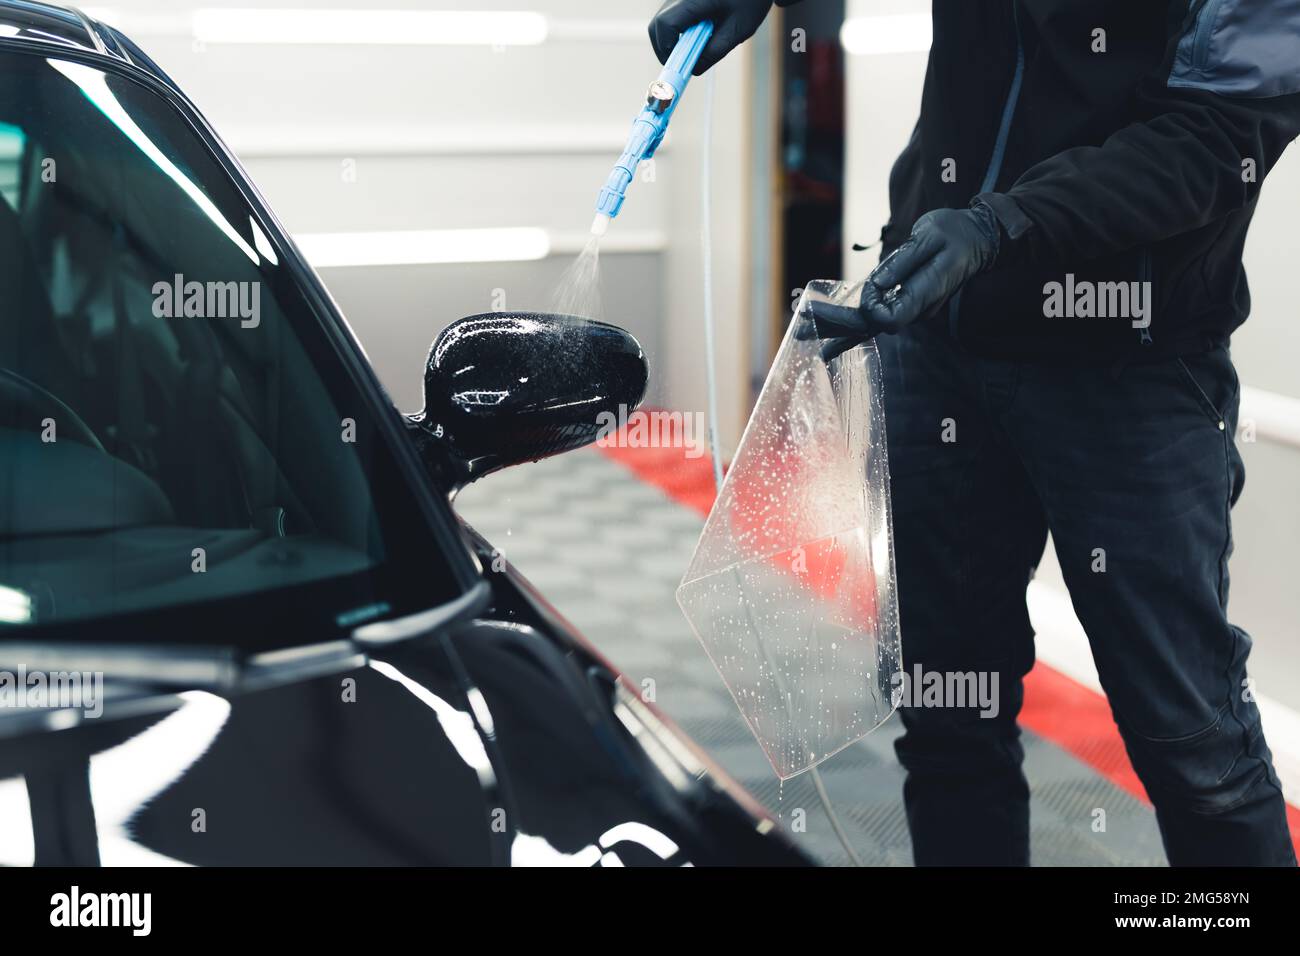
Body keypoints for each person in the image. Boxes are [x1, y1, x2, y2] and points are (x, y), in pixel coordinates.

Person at [649, 0, 1300, 866]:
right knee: (948, 715)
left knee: (1194, 747)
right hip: (938, 338)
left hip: (1132, 370)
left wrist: (1004, 225)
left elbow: (1224, 133)